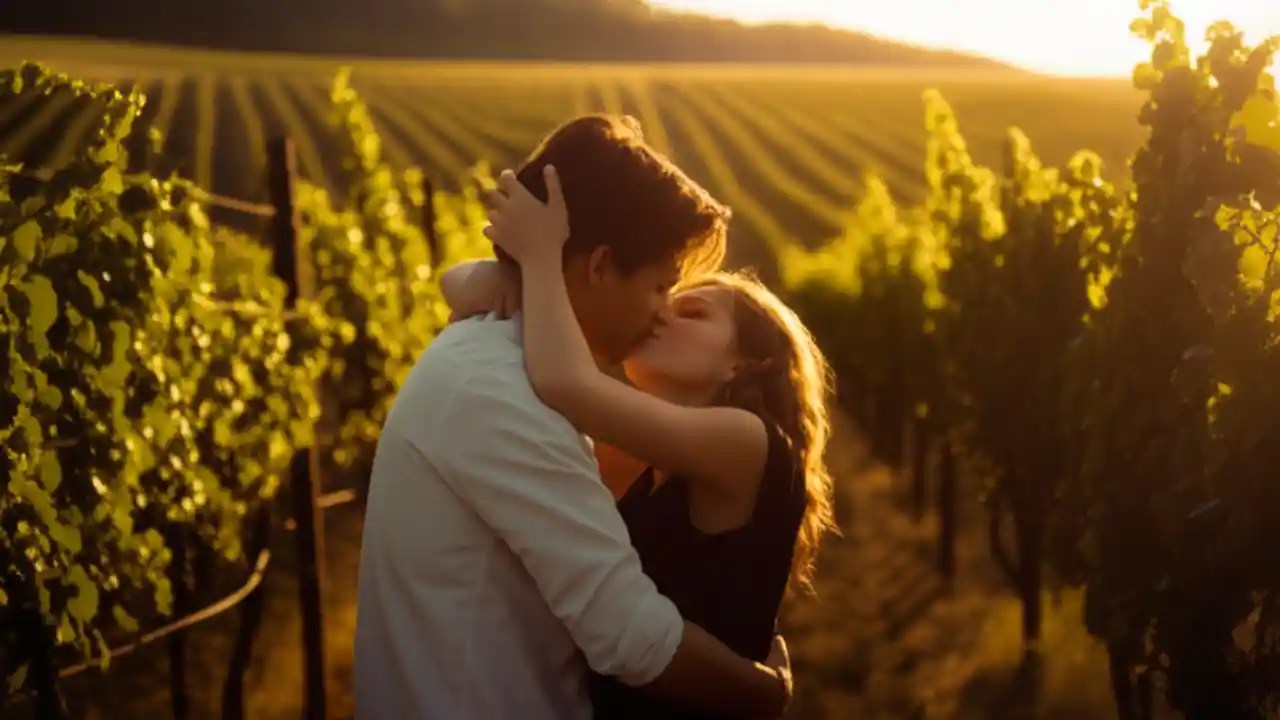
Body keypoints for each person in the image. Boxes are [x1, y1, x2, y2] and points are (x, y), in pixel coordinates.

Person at [353, 114, 793, 720]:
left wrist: (517, 272)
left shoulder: (504, 365)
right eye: (662, 287)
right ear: (599, 266)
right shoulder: (506, 392)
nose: (662, 313)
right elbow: (629, 634)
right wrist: (766, 694)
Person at [443, 156, 838, 719]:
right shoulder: (651, 462)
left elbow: (562, 380)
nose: (659, 313)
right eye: (660, 294)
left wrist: (538, 260)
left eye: (692, 312)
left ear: (744, 365)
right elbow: (452, 283)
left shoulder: (748, 440)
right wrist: (505, 276)